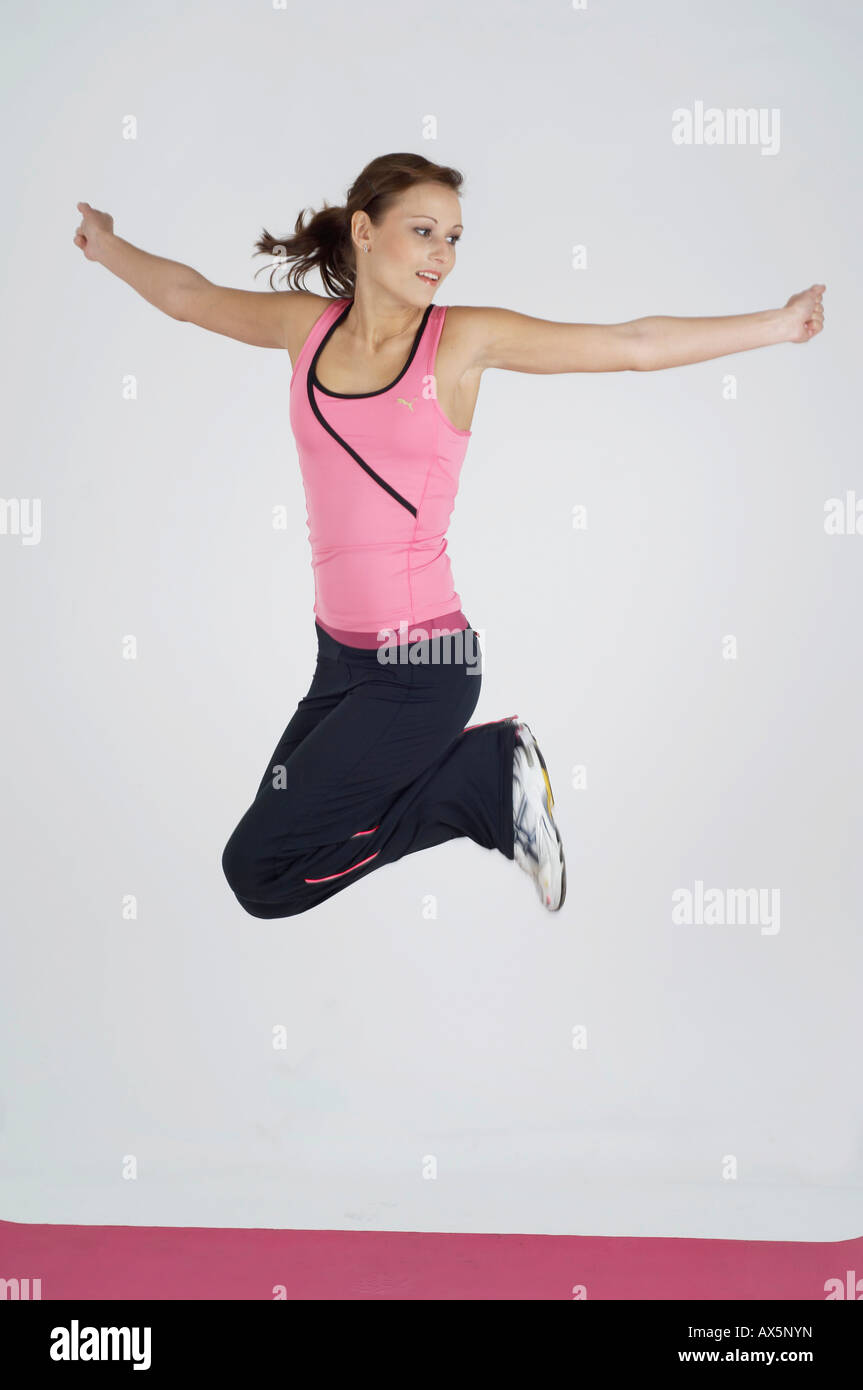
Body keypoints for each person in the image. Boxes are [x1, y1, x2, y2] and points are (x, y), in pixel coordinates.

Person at [73, 152, 825, 920]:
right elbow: (188, 296)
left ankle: (485, 780)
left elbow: (630, 344)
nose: (443, 255)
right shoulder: (306, 328)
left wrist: (776, 323)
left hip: (423, 665)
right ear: (363, 231)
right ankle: (486, 780)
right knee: (267, 872)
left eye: (455, 238)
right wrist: (105, 246)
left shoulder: (459, 342)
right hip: (339, 661)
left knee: (257, 866)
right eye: (424, 231)